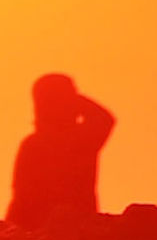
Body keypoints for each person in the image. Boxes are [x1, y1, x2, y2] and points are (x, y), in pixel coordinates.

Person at [8, 72, 118, 228]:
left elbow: (104, 119)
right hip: (45, 228)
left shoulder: (80, 139)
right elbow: (21, 197)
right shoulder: (78, 140)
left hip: (75, 228)